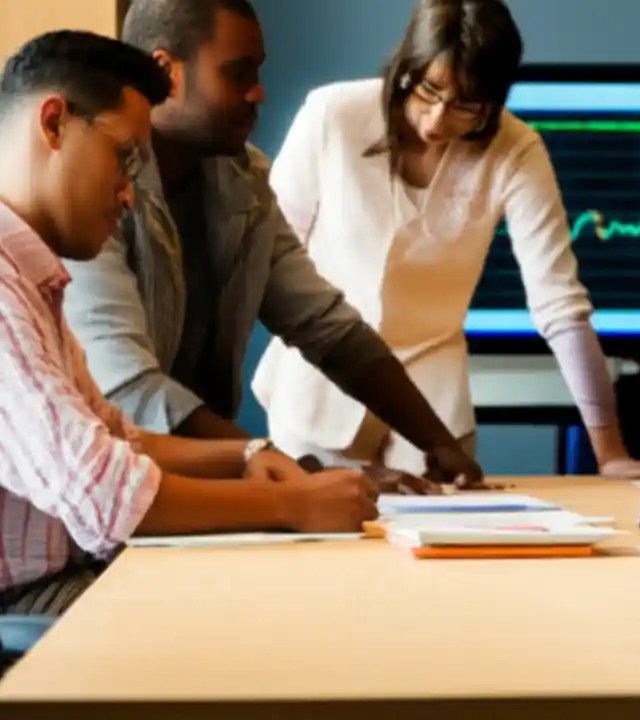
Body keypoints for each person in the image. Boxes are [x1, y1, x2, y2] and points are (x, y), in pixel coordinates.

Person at [0, 31, 376, 616]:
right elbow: (108, 495)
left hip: (65, 580)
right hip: (23, 608)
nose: (129, 195)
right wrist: (293, 507)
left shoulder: (32, 279)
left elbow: (118, 439)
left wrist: (246, 454)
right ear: (53, 124)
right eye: (124, 158)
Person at [61, 0, 483, 488]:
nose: (257, 92)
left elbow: (326, 326)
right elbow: (129, 389)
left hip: (211, 486)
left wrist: (438, 443)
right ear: (165, 74)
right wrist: (291, 473)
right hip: (114, 495)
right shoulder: (93, 192)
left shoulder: (243, 179)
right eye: (238, 74)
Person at [250, 0, 640, 478]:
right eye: (428, 91)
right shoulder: (333, 114)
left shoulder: (516, 149)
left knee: (446, 507)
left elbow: (559, 302)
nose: (435, 121)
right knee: (322, 514)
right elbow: (272, 256)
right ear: (407, 66)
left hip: (432, 382)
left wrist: (610, 453)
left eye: (465, 106)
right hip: (321, 380)